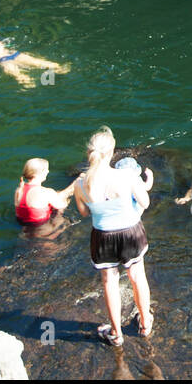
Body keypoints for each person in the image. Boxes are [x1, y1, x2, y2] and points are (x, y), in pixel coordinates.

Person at [72, 127, 155, 345]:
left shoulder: (80, 183)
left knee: (110, 282)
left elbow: (83, 212)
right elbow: (145, 203)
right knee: (137, 276)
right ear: (111, 151)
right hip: (131, 233)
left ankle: (116, 334)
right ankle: (145, 323)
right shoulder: (125, 176)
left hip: (102, 237)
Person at [13, 158, 74, 226]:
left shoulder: (19, 190)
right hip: (44, 230)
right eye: (46, 169)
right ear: (38, 174)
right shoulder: (45, 192)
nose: (48, 171)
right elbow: (62, 205)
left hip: (24, 228)